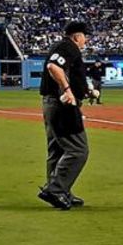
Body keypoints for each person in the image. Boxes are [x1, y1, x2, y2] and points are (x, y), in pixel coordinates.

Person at [38, 20, 96, 210]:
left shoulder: (61, 46)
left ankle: (59, 192)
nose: (85, 41)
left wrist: (85, 90)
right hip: (62, 105)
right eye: (84, 36)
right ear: (77, 36)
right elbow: (53, 67)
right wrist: (69, 90)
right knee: (78, 150)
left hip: (52, 103)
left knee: (57, 149)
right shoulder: (68, 47)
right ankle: (56, 189)